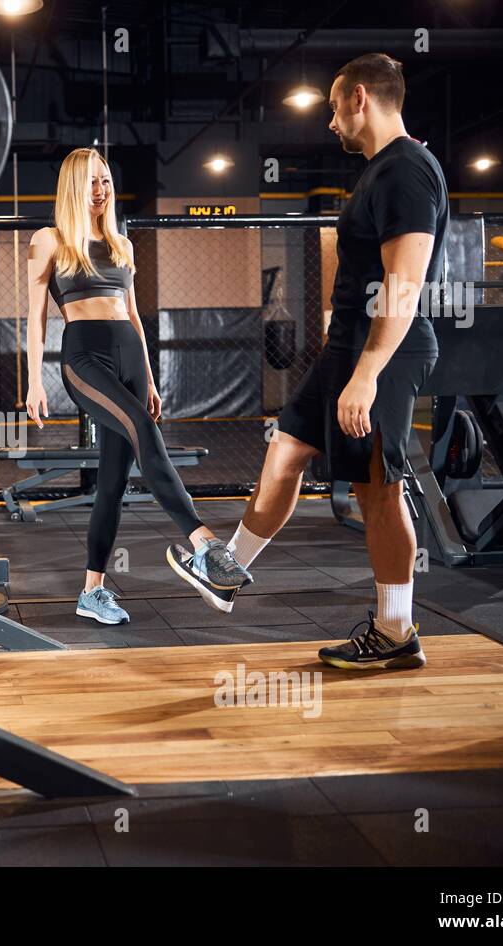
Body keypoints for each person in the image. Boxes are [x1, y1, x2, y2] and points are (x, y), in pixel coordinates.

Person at [224, 54, 449, 669]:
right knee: (287, 447)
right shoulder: (381, 170)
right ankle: (229, 568)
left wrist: (368, 373)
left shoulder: (406, 170)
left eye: (331, 107)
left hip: (384, 349)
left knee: (377, 487)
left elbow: (403, 287)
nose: (329, 122)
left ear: (358, 99)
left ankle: (396, 632)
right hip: (348, 345)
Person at [24, 147, 252, 624]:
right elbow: (34, 318)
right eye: (91, 181)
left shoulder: (120, 241)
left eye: (105, 180)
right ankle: (203, 544)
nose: (100, 189)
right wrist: (33, 381)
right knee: (145, 434)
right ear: (72, 186)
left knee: (111, 484)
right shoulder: (48, 240)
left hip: (128, 353)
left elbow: (133, 315)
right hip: (85, 355)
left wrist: (147, 376)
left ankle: (92, 591)